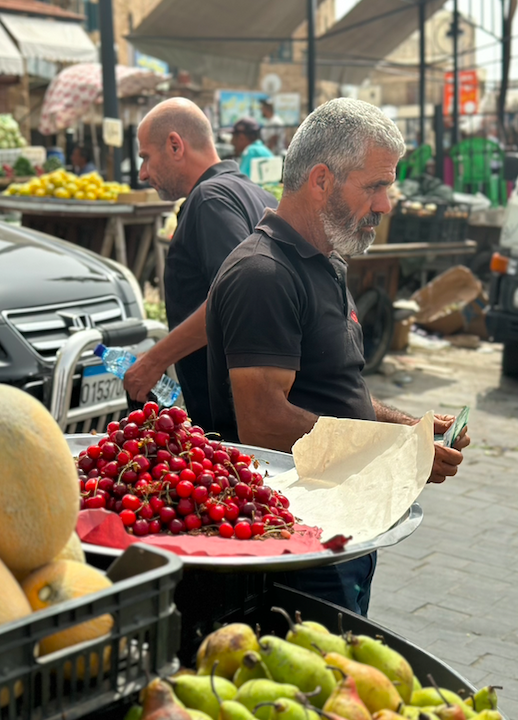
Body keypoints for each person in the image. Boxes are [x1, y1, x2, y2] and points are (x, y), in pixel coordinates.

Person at [204, 98, 470, 615]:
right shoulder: (263, 274)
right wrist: (395, 450)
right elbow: (263, 422)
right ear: (321, 180)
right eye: (374, 186)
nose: (386, 204)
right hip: (293, 543)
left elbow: (335, 390)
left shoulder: (326, 261)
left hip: (339, 526)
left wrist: (410, 428)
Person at [125, 98, 276, 431]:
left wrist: (154, 362)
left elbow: (235, 296)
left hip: (235, 421)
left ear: (175, 145)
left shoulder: (210, 199)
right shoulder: (259, 195)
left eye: (146, 157)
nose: (143, 173)